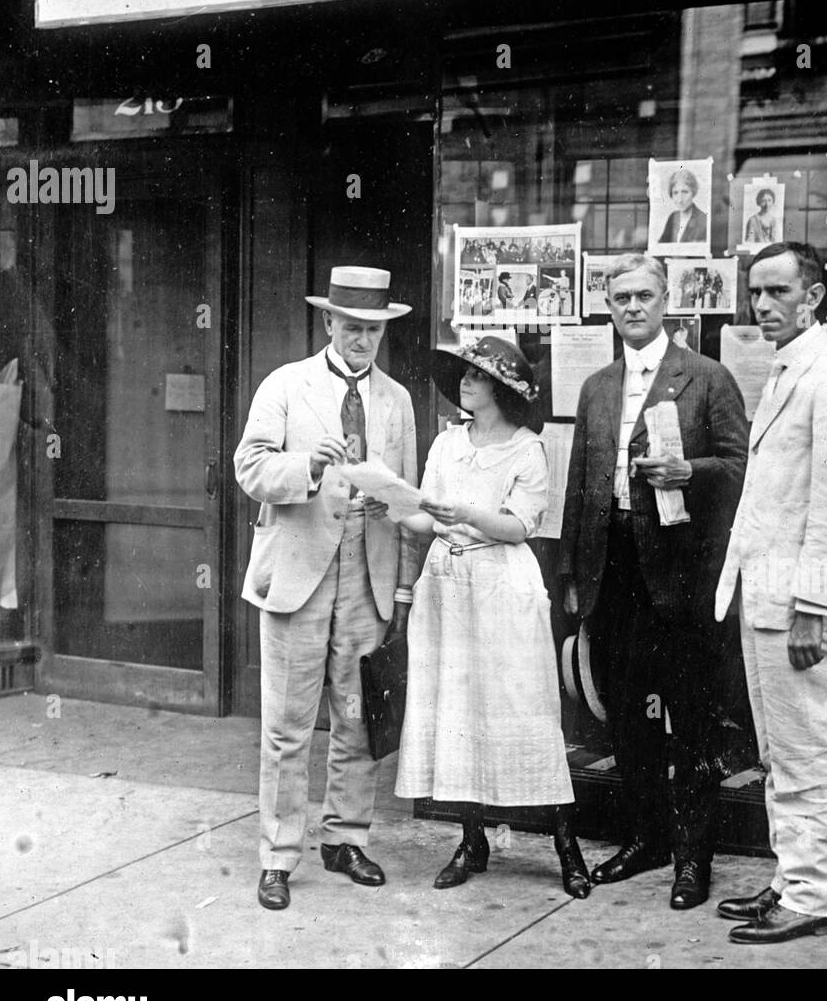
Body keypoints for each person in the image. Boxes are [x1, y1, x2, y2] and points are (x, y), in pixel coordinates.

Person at [558, 254, 748, 909]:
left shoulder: (707, 377)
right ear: (608, 307)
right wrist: (573, 573)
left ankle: (693, 858)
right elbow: (579, 484)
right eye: (620, 298)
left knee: (690, 717)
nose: (632, 307)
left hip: (681, 576)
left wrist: (689, 472)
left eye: (643, 295)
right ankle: (647, 839)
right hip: (612, 572)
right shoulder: (597, 386)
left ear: (666, 301)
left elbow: (739, 467)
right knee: (626, 716)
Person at [234, 265, 420, 911]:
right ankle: (278, 855)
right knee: (288, 724)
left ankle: (345, 838)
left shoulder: (396, 399)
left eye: (374, 329)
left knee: (358, 717)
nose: (362, 340)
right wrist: (307, 467)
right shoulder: (286, 385)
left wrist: (401, 587)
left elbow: (409, 499)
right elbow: (250, 468)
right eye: (351, 326)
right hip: (298, 571)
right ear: (328, 321)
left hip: (368, 572)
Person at [714, 242, 827, 944]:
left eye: (778, 291)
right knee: (781, 749)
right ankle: (792, 878)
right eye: (755, 292)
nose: (762, 305)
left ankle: (812, 896)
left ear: (813, 297)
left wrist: (812, 608)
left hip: (799, 607)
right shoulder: (789, 370)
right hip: (768, 597)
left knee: (807, 752)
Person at [395, 336, 591, 899]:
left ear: (504, 390)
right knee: (457, 707)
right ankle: (472, 840)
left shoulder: (528, 449)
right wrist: (393, 508)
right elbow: (427, 518)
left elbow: (520, 526)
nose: (466, 381)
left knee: (524, 708)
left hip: (502, 584)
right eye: (463, 372)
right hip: (446, 583)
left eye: (478, 375)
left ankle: (566, 846)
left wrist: (468, 512)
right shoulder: (447, 443)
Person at [657, 167, 708, 247]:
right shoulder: (673, 217)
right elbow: (661, 245)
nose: (680, 199)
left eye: (685, 192)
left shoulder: (703, 220)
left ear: (693, 192)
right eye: (675, 193)